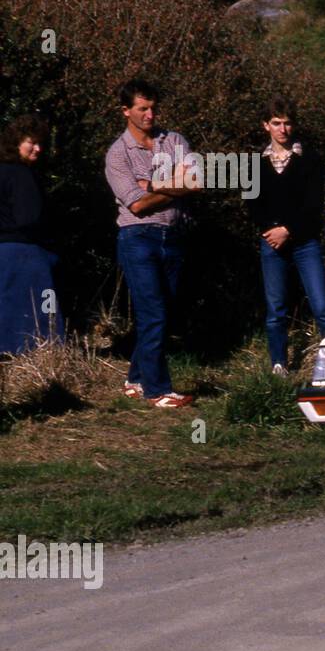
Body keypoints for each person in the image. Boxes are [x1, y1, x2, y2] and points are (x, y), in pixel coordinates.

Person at [104, 79, 200, 408]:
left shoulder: (174, 140)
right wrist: (175, 183)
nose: (149, 114)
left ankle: (134, 378)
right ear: (126, 111)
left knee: (162, 313)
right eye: (142, 108)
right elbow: (136, 205)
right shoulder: (117, 154)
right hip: (137, 238)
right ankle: (158, 390)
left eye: (153, 107)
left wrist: (153, 183)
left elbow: (197, 181)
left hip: (173, 236)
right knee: (154, 313)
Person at [246, 97, 325, 376]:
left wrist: (288, 230)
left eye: (287, 123)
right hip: (270, 242)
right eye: (276, 123)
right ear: (266, 125)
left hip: (304, 242)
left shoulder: (309, 159)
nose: (282, 129)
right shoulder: (254, 162)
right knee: (276, 308)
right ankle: (279, 363)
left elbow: (314, 204)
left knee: (322, 304)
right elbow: (252, 204)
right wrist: (271, 231)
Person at [0, 114, 63, 356]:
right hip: (23, 252)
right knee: (44, 311)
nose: (38, 148)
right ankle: (43, 354)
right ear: (16, 140)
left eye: (41, 143)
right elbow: (30, 218)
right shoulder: (20, 174)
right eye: (32, 142)